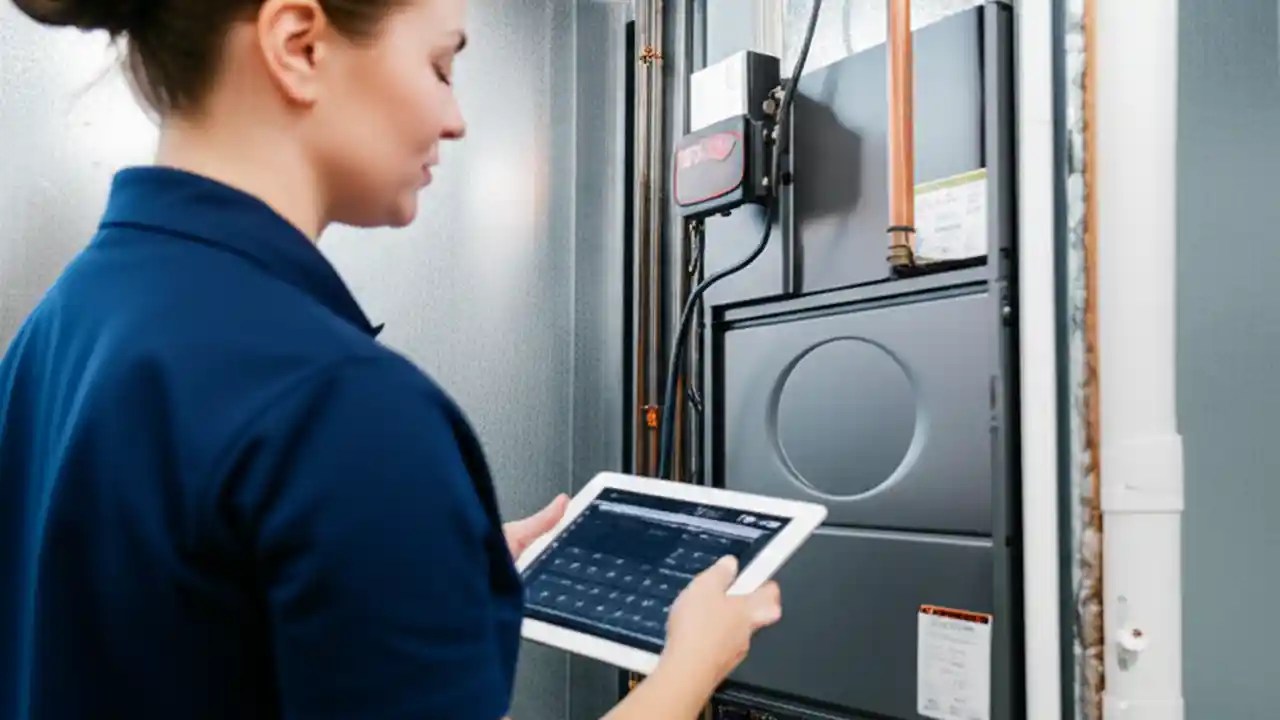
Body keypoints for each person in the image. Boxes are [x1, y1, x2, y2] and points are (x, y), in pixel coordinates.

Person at [0, 0, 783, 718]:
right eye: (441, 67)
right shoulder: (342, 405)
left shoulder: (60, 327)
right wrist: (688, 667)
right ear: (298, 44)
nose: (456, 120)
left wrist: (420, 565)